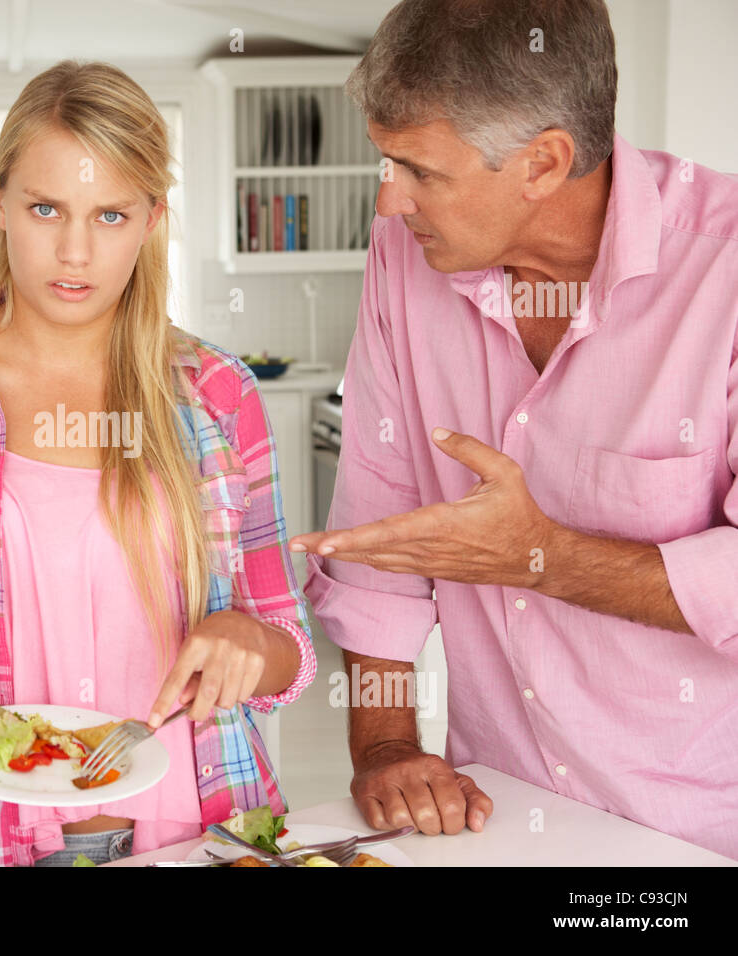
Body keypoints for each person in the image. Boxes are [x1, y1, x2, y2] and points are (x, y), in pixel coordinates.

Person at [0, 60, 317, 867]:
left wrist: (249, 640)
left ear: (152, 219)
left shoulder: (217, 392)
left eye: (111, 215)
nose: (74, 251)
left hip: (206, 827)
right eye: (45, 208)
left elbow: (289, 645)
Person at [292, 0, 738, 860]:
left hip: (696, 836)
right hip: (495, 817)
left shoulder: (725, 268)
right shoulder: (403, 254)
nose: (389, 198)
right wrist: (386, 745)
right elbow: (377, 538)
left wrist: (539, 556)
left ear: (543, 162)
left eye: (419, 170)